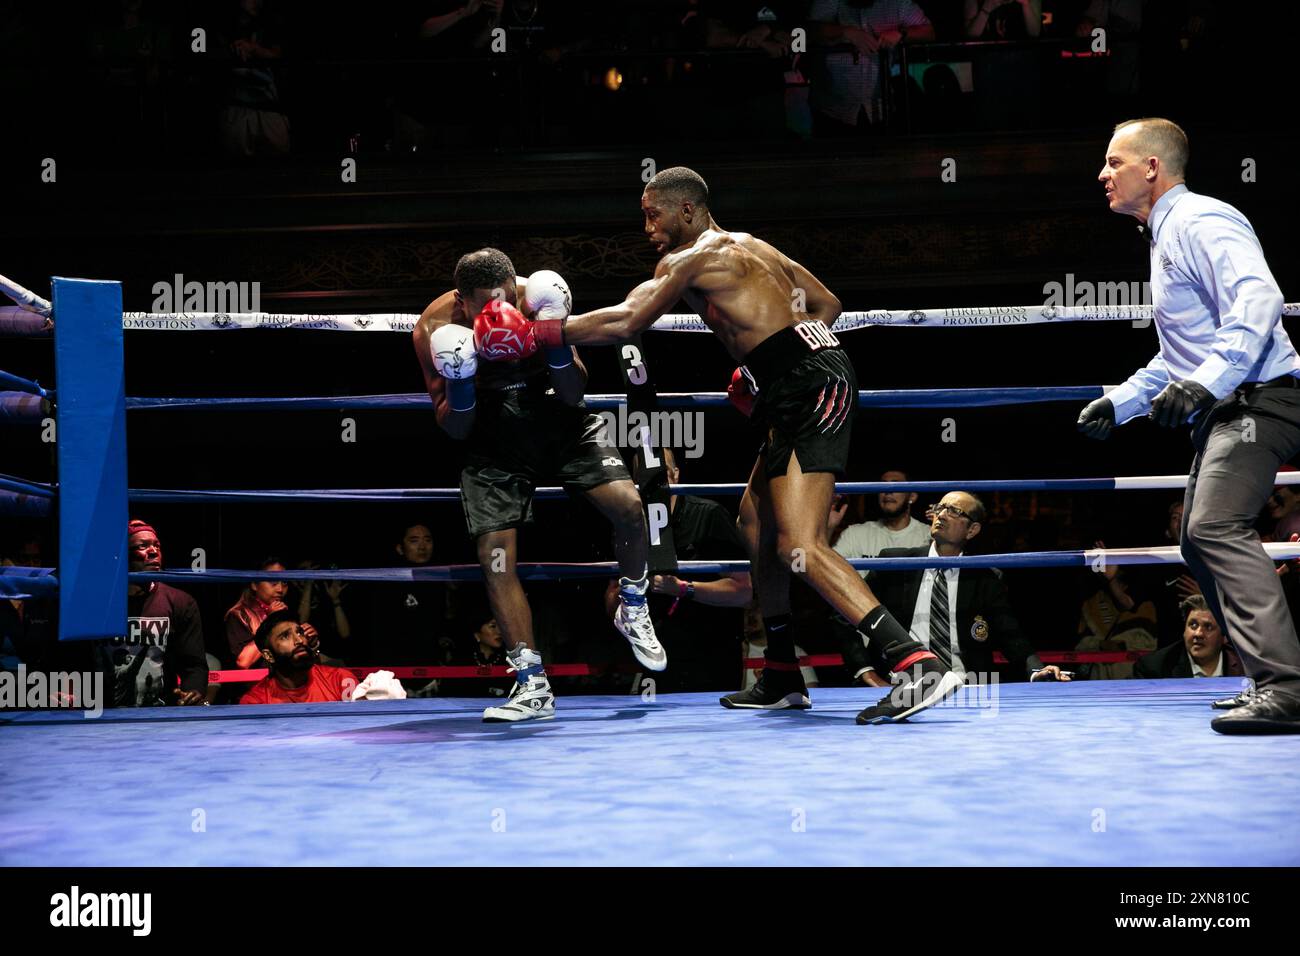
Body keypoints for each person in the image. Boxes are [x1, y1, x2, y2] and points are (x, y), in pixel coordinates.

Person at [473, 166, 962, 724]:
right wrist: (764, 371)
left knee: (800, 545)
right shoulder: (752, 246)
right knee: (755, 523)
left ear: (686, 210)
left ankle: (913, 663)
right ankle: (781, 673)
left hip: (810, 389)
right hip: (794, 385)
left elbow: (630, 320)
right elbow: (828, 305)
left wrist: (537, 334)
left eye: (652, 214)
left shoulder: (690, 259)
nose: (646, 226)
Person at [1078, 118, 1300, 733]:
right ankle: (1266, 679)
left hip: (1260, 401)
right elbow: (1179, 355)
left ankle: (1287, 688)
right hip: (1229, 403)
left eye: (1114, 162)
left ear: (1152, 167)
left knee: (1216, 526)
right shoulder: (1165, 234)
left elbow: (1258, 300)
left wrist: (1206, 383)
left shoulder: (1201, 220)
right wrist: (1122, 402)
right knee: (1197, 543)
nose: (1103, 174)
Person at [413, 248, 664, 722]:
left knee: (630, 506)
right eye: (482, 305)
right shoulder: (432, 330)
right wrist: (462, 383)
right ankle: (531, 684)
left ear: (516, 286)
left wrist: (548, 343)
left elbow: (575, 392)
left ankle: (632, 603)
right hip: (491, 439)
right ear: (460, 303)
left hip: (559, 419)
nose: (497, 311)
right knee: (495, 555)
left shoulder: (541, 297)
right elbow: (453, 428)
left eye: (506, 298)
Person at [846, 492, 1067, 684]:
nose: (941, 515)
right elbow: (846, 609)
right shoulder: (896, 563)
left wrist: (1037, 669)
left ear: (972, 530)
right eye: (940, 508)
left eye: (954, 511)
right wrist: (865, 670)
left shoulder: (985, 578)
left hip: (965, 687)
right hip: (899, 684)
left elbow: (1011, 636)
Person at [602, 449, 752, 692]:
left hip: (712, 652)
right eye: (645, 476)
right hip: (654, 657)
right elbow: (611, 602)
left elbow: (743, 592)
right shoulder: (629, 525)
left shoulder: (708, 515)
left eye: (660, 474)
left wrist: (683, 588)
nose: (653, 482)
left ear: (675, 475)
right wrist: (628, 594)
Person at [99, 520, 208, 707]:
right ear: (123, 554)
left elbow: (194, 664)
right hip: (103, 709)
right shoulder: (97, 602)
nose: (153, 551)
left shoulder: (181, 602)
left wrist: (192, 692)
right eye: (143, 546)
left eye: (157, 545)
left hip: (160, 709)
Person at [240, 610, 359, 705]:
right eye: (285, 636)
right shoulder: (255, 701)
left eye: (300, 632)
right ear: (269, 655)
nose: (299, 640)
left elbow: (360, 728)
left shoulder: (342, 680)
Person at [1134, 594, 1243, 680]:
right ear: (1184, 631)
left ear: (1225, 636)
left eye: (1208, 627)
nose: (1198, 633)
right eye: (1193, 625)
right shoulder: (1154, 668)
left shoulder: (1245, 667)